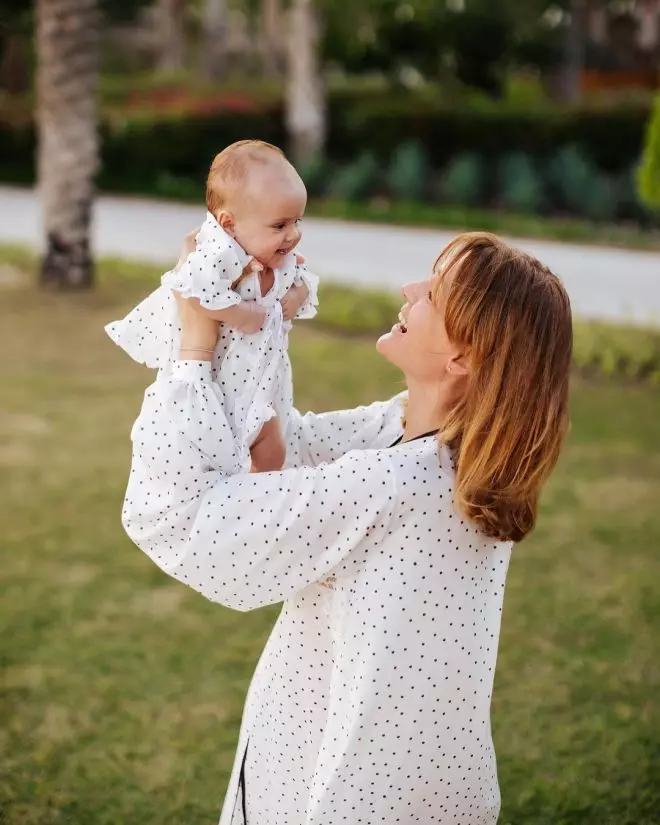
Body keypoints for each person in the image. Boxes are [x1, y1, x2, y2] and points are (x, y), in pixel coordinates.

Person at [120, 231, 573, 824]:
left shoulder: (401, 482)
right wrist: (256, 318)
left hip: (341, 791)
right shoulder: (425, 440)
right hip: (399, 782)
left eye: (434, 293)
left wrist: (194, 347)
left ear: (464, 357)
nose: (410, 290)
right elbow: (282, 443)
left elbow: (182, 517)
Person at [105, 140, 318, 474]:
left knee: (274, 451)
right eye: (280, 225)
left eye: (298, 222)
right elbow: (190, 290)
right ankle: (237, 501)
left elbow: (304, 280)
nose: (293, 235)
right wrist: (240, 314)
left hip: (259, 385)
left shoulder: (279, 257)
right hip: (218, 390)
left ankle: (260, 504)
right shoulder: (216, 254)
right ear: (229, 223)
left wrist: (295, 298)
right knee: (220, 462)